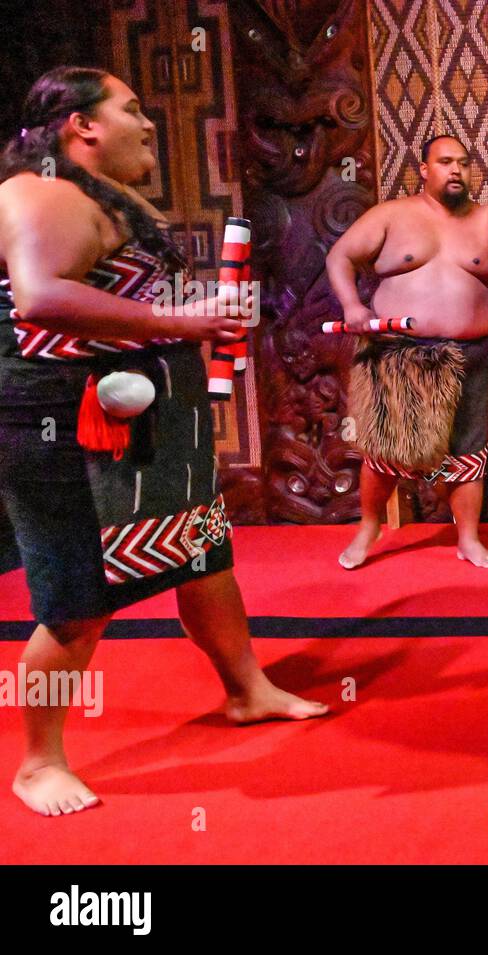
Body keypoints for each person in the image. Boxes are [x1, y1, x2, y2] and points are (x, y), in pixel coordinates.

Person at [0, 67, 328, 817]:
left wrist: (203, 308)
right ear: (82, 126)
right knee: (76, 602)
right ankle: (38, 761)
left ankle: (247, 688)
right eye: (132, 109)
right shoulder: (38, 191)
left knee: (202, 553)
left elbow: (121, 298)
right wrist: (191, 322)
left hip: (151, 420)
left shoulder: (102, 198)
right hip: (63, 422)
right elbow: (42, 295)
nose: (147, 124)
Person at [327, 134, 488, 570]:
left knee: (468, 451)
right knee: (389, 451)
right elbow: (340, 256)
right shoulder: (392, 216)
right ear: (425, 171)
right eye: (445, 162)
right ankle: (369, 526)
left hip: (471, 353)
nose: (455, 170)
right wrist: (353, 306)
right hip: (404, 353)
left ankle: (468, 538)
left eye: (463, 163)